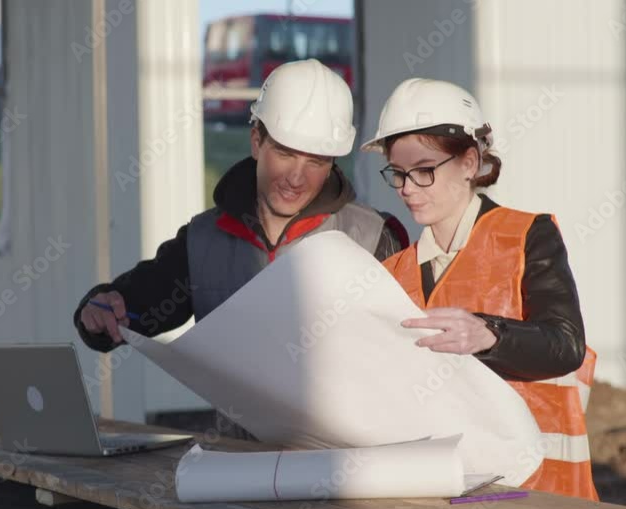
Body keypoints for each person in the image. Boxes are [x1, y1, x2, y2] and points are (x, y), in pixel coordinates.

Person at [74, 59, 408, 439]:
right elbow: (135, 306)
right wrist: (101, 307)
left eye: (315, 161)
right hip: (238, 465)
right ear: (256, 141)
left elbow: (404, 363)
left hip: (346, 466)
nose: (297, 177)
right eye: (285, 153)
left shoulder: (374, 237)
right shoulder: (204, 239)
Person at [362, 78, 598, 500]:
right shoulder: (393, 272)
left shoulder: (527, 235)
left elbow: (566, 345)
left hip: (540, 496)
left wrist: (491, 334)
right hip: (437, 496)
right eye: (397, 174)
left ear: (469, 163)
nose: (407, 188)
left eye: (424, 171)